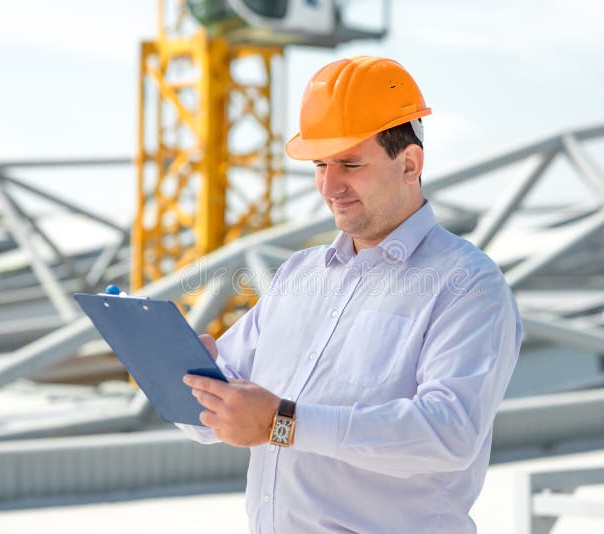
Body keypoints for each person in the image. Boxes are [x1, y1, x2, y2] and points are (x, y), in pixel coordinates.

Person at [177, 55, 522, 534]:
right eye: (320, 163)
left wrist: (283, 422)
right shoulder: (299, 275)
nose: (329, 185)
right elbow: (215, 415)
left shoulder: (467, 285)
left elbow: (448, 432)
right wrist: (189, 380)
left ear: (410, 164)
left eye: (350, 163)